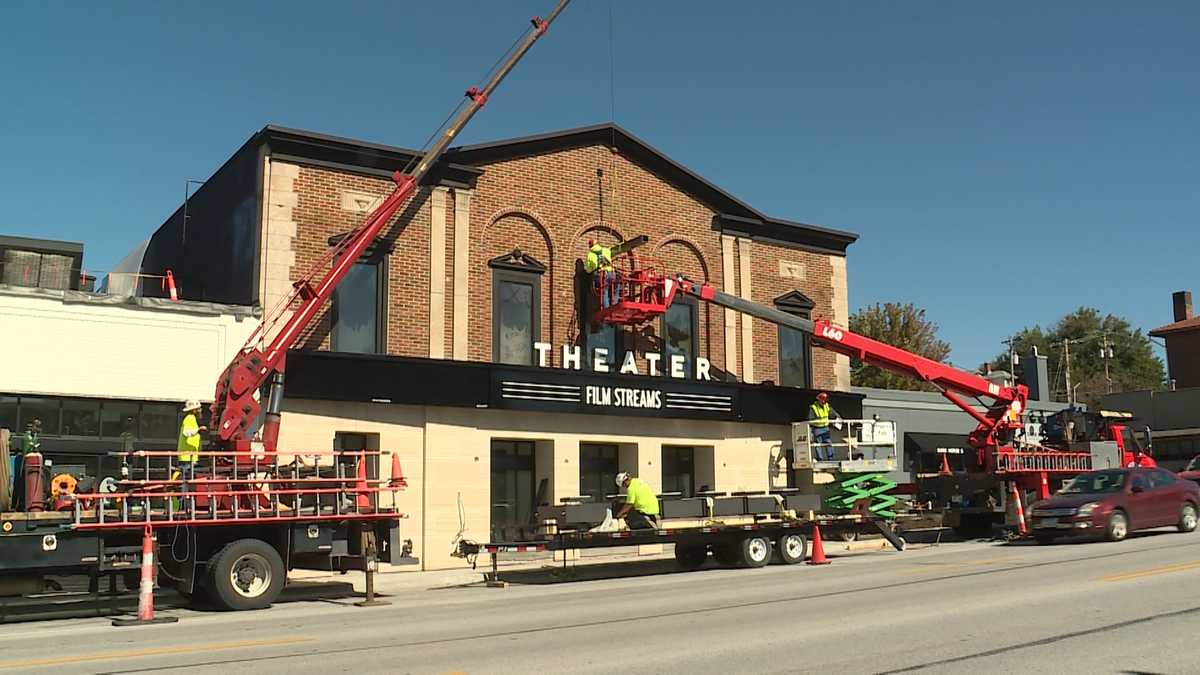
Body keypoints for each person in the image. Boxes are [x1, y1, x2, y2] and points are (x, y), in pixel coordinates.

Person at [177, 400, 206, 505]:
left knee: (187, 482)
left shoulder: (191, 419)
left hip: (189, 457)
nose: (200, 410)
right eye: (199, 408)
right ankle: (184, 505)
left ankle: (185, 504)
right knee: (186, 482)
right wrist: (198, 431)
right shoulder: (190, 418)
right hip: (187, 457)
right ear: (194, 410)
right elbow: (186, 433)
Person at [584, 238, 618, 309]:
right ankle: (615, 305)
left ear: (590, 246)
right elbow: (610, 254)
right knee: (615, 288)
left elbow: (588, 270)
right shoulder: (606, 250)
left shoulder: (590, 254)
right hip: (611, 273)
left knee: (604, 292)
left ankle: (606, 309)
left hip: (601, 275)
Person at [808, 392, 841, 462]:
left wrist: (838, 417)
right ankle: (820, 459)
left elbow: (833, 413)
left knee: (828, 443)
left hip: (826, 428)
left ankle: (831, 459)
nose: (823, 401)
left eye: (825, 400)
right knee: (818, 444)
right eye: (822, 400)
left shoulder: (827, 406)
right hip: (817, 429)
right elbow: (810, 418)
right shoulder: (813, 407)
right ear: (818, 400)